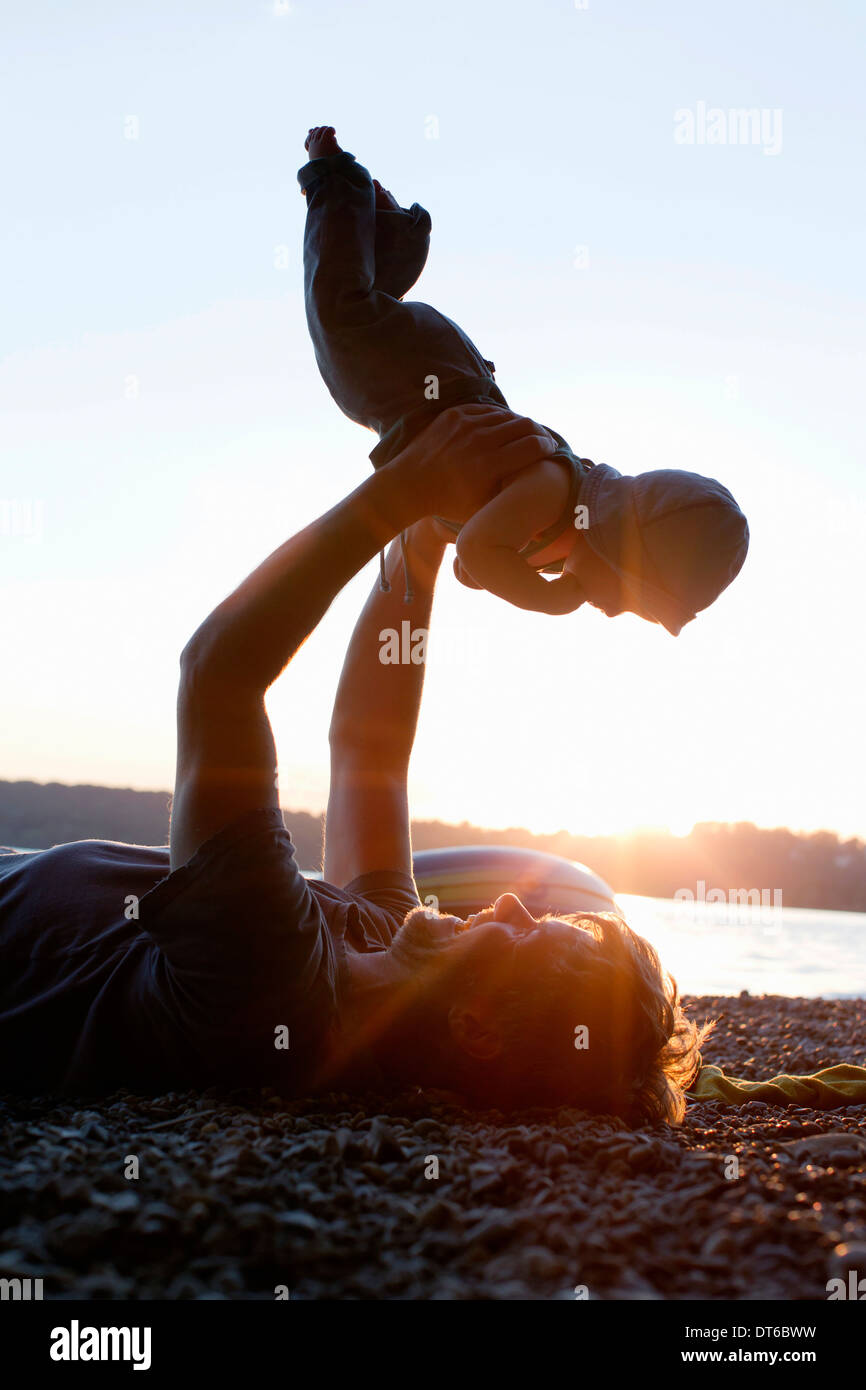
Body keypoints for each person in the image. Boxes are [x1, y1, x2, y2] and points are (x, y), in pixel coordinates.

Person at [0, 406, 706, 1122]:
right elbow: (370, 753)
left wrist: (399, 492)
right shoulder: (381, 942)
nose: (516, 902)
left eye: (523, 934)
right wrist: (423, 542)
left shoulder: (274, 983)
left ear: (477, 1027)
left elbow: (218, 673)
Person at [299, 125, 749, 630]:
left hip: (425, 395)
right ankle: (337, 180)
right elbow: (478, 547)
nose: (619, 609)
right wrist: (546, 600)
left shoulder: (553, 546)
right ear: (616, 535)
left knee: (368, 313)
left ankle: (390, 231)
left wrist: (485, 568)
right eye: (631, 595)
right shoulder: (556, 490)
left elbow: (472, 559)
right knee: (343, 323)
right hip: (434, 387)